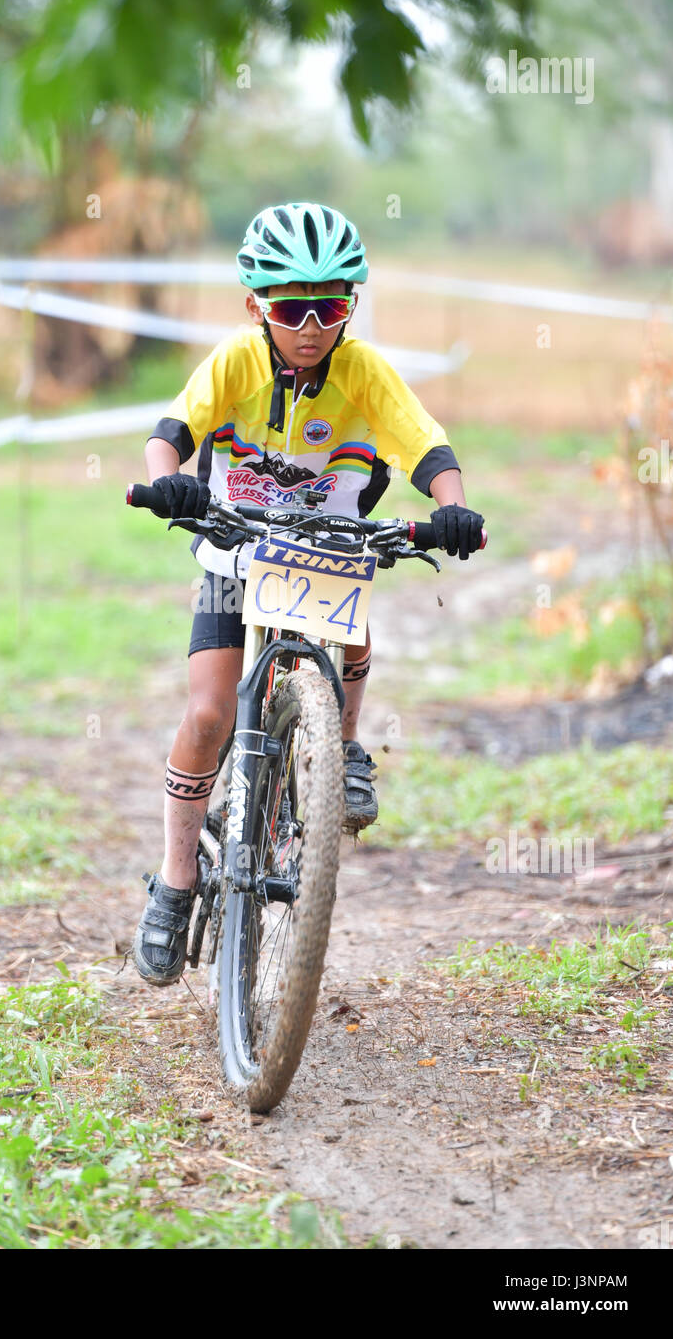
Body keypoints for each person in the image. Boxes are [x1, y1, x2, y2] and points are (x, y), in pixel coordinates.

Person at [131, 201, 484, 985]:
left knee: (354, 613)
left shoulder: (363, 371)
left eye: (333, 305)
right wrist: (167, 486)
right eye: (293, 307)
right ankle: (176, 878)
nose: (313, 325)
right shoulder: (233, 363)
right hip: (236, 548)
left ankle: (344, 746)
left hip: (329, 548)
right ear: (256, 305)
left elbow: (427, 444)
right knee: (208, 714)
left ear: (350, 306)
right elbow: (170, 436)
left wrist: (451, 506)